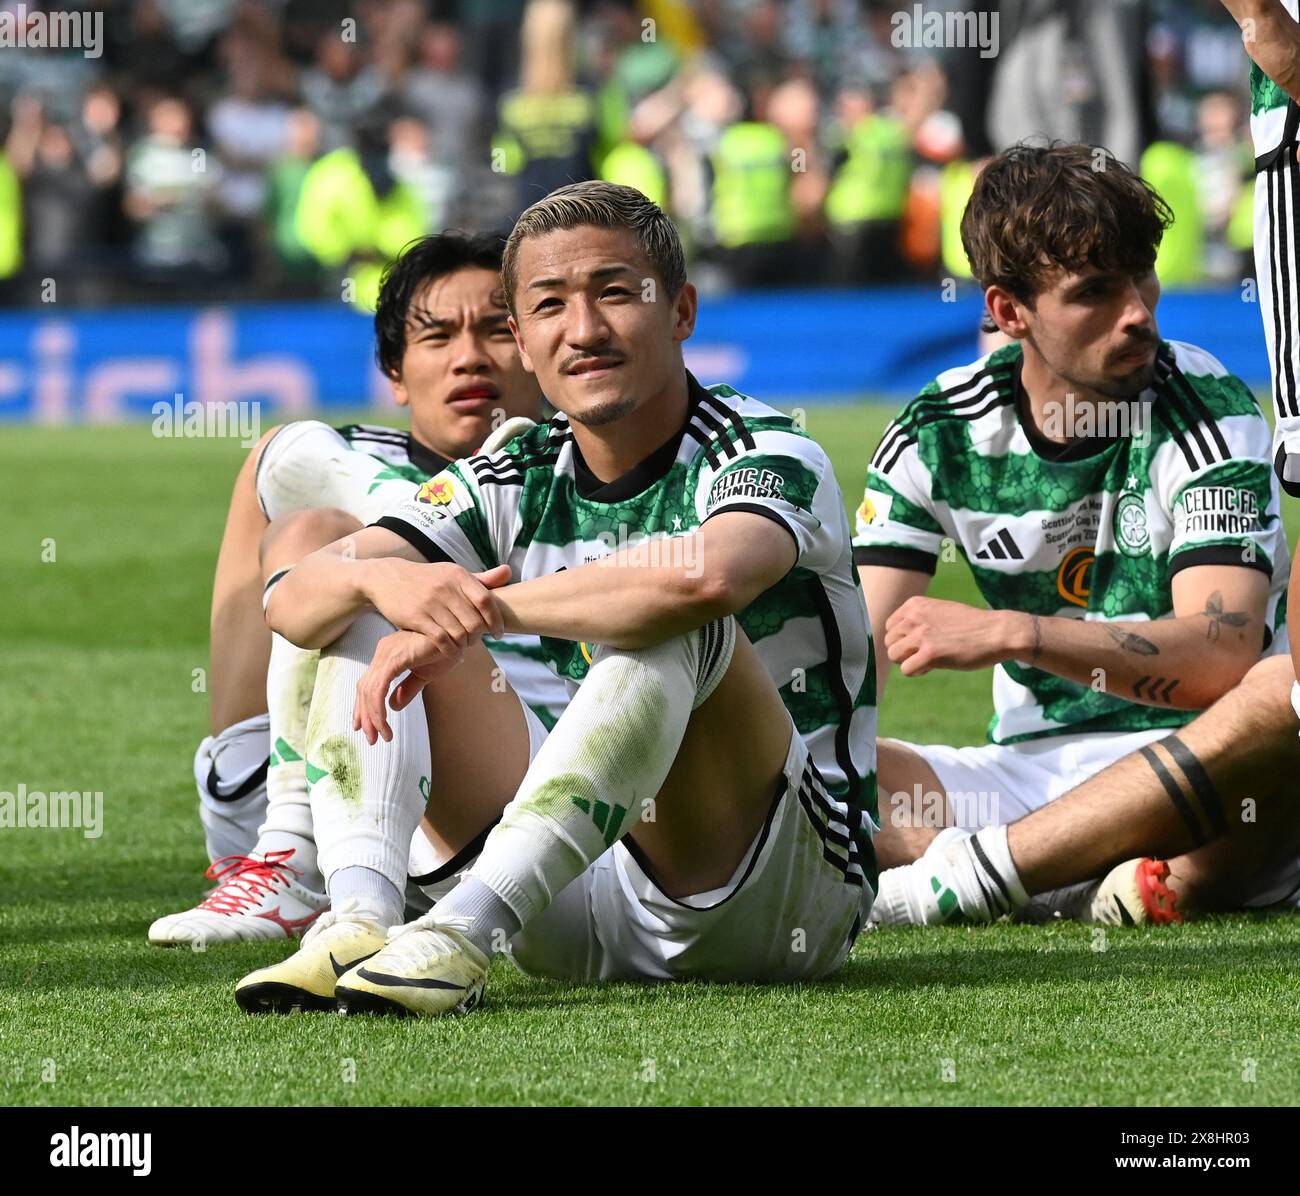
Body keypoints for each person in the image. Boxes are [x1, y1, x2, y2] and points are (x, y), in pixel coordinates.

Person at [233, 180, 876, 1016]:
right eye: (548, 307)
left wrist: (482, 610)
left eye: (614, 293)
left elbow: (707, 578)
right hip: (571, 891)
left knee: (681, 619)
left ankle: (460, 930)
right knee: (367, 600)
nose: (584, 330)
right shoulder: (516, 467)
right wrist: (379, 579)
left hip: (774, 896)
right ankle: (358, 919)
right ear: (526, 346)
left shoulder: (764, 447)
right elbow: (291, 602)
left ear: (681, 311)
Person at [854, 142, 1300, 928]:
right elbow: (844, 682)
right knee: (792, 763)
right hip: (1027, 779)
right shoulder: (936, 433)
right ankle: (1102, 882)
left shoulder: (1207, 410)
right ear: (1007, 311)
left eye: (1142, 276)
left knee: (1284, 693)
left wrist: (1017, 632)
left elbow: (1220, 658)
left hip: (1201, 765)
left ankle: (982, 878)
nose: (1138, 313)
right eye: (1095, 291)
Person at [148, 232, 565, 947]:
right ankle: (287, 855)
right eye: (437, 336)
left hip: (500, 797)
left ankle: (307, 872)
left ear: (533, 346)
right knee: (307, 514)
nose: (469, 357)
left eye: (497, 331)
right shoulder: (340, 459)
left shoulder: (584, 464)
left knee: (322, 519)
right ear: (396, 374)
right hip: (305, 770)